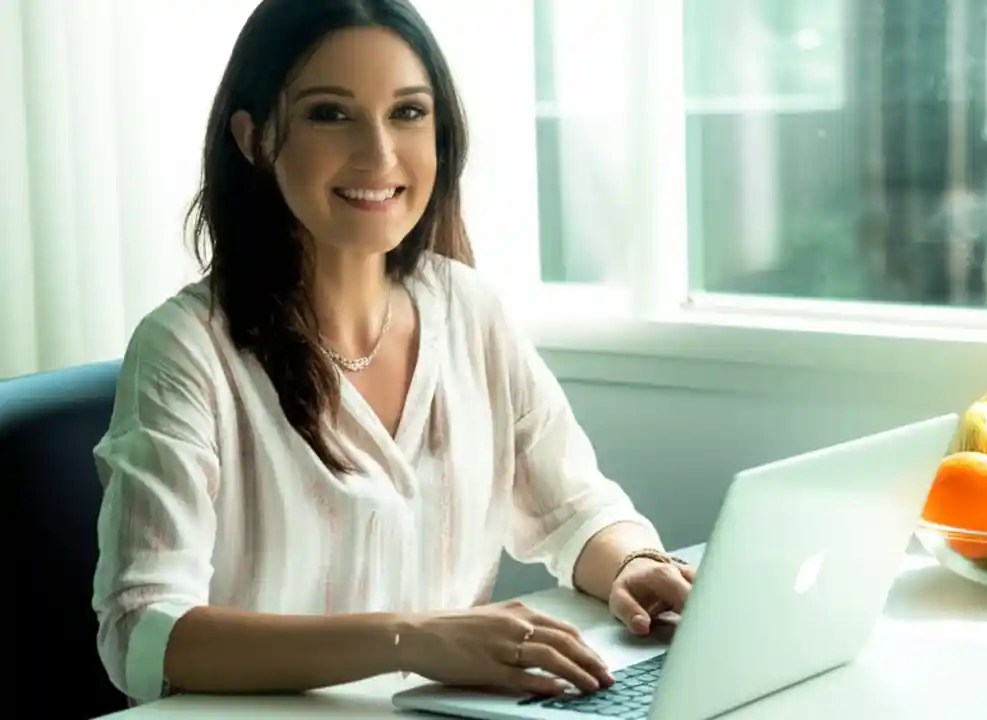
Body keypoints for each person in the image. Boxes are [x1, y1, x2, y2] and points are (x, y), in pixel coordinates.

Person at [91, 0, 693, 706]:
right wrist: (410, 637)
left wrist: (634, 562)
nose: (379, 155)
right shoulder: (185, 350)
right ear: (254, 139)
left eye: (408, 113)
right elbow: (144, 632)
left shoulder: (471, 312)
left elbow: (575, 512)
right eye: (329, 114)